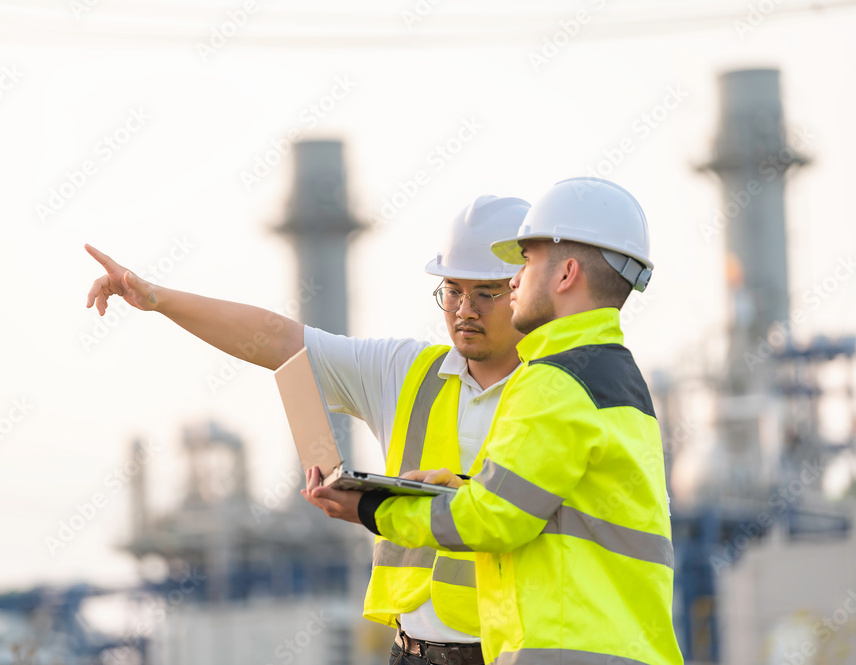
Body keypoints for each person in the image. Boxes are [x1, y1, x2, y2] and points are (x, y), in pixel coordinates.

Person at [85, 194, 531, 665]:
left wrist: (376, 510)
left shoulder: (561, 393)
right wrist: (158, 299)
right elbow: (277, 338)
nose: (463, 310)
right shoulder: (406, 373)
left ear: (527, 287)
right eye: (452, 290)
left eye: (485, 293)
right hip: (412, 650)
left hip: (514, 653)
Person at [309, 178, 683, 665]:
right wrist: (465, 487)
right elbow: (557, 507)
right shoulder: (620, 381)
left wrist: (372, 510)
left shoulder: (554, 379)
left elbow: (493, 521)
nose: (513, 281)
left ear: (567, 273)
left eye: (525, 262)